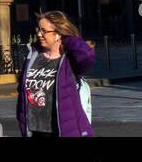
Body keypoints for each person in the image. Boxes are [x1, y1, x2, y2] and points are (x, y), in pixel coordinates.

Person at [16, 10, 95, 138]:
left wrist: (67, 40)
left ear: (57, 34)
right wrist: (21, 119)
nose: (39, 34)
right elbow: (22, 90)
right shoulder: (33, 56)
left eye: (44, 31)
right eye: (38, 30)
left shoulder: (68, 60)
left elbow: (87, 55)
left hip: (62, 130)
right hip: (34, 130)